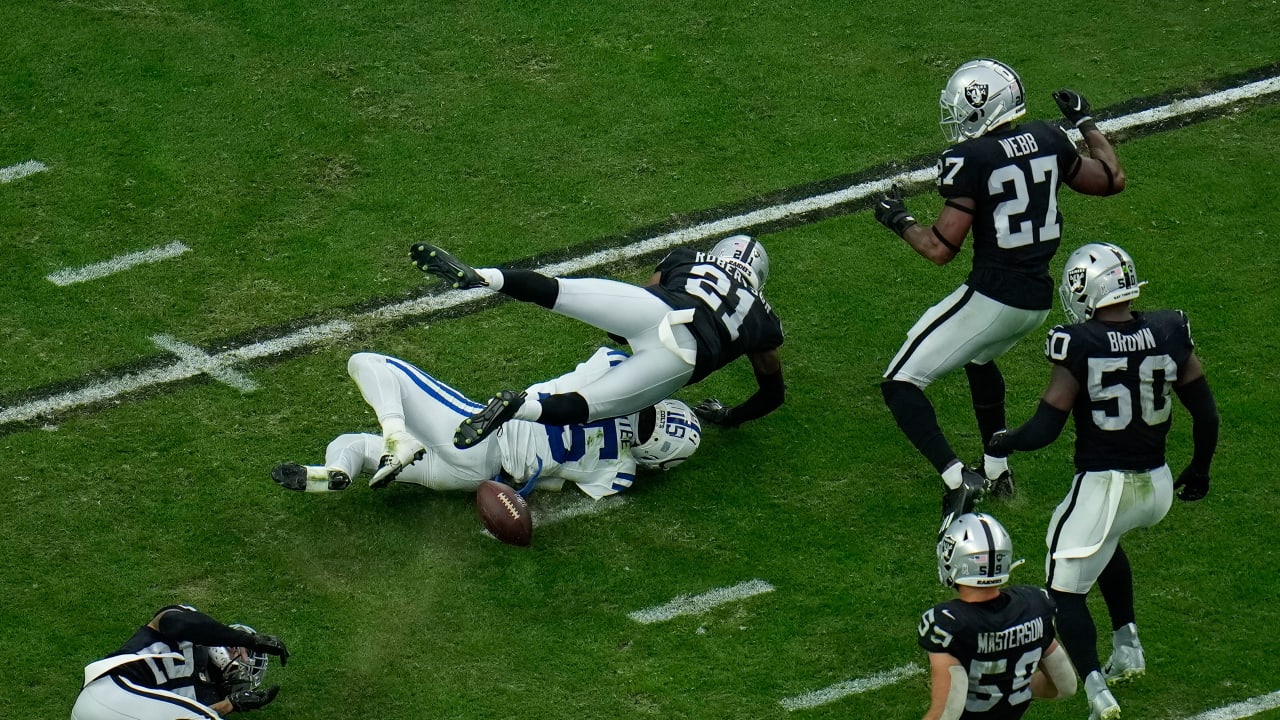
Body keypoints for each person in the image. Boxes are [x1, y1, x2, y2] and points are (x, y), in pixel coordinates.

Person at [872, 58, 1126, 537]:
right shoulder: (1050, 138)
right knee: (980, 359)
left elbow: (939, 249)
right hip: (1035, 298)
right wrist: (1086, 122)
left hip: (994, 295)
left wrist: (898, 219)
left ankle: (957, 480)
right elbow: (1111, 180)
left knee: (899, 381)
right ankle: (995, 466)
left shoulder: (974, 160)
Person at [985, 242, 1219, 720]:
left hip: (1105, 485)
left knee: (1062, 591)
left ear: (1085, 289)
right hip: (1156, 485)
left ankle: (1098, 694)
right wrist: (1200, 468)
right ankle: (1127, 644)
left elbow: (1046, 427)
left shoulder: (1081, 342)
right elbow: (1206, 412)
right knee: (1105, 544)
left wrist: (1003, 441)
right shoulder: (1170, 329)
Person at [407, 235, 784, 449]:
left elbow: (644, 297)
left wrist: (624, 327)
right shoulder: (763, 317)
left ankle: (484, 277)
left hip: (653, 309)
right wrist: (727, 416)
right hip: (680, 356)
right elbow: (772, 392)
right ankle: (517, 408)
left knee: (558, 291)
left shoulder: (688, 257)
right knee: (586, 407)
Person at [271, 347, 702, 496]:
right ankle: (337, 472)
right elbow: (552, 483)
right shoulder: (617, 475)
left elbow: (620, 359)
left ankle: (397, 436)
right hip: (478, 479)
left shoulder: (614, 370)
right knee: (358, 447)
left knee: (367, 363)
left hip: (476, 432)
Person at [919, 512, 1076, 720]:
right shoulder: (1034, 605)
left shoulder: (947, 624)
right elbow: (1065, 685)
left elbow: (948, 712)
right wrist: (1014, 688)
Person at [71, 604, 288, 720]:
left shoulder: (199, 692)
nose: (239, 663)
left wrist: (231, 704)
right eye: (237, 652)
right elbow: (176, 621)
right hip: (110, 691)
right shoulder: (186, 631)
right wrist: (246, 640)